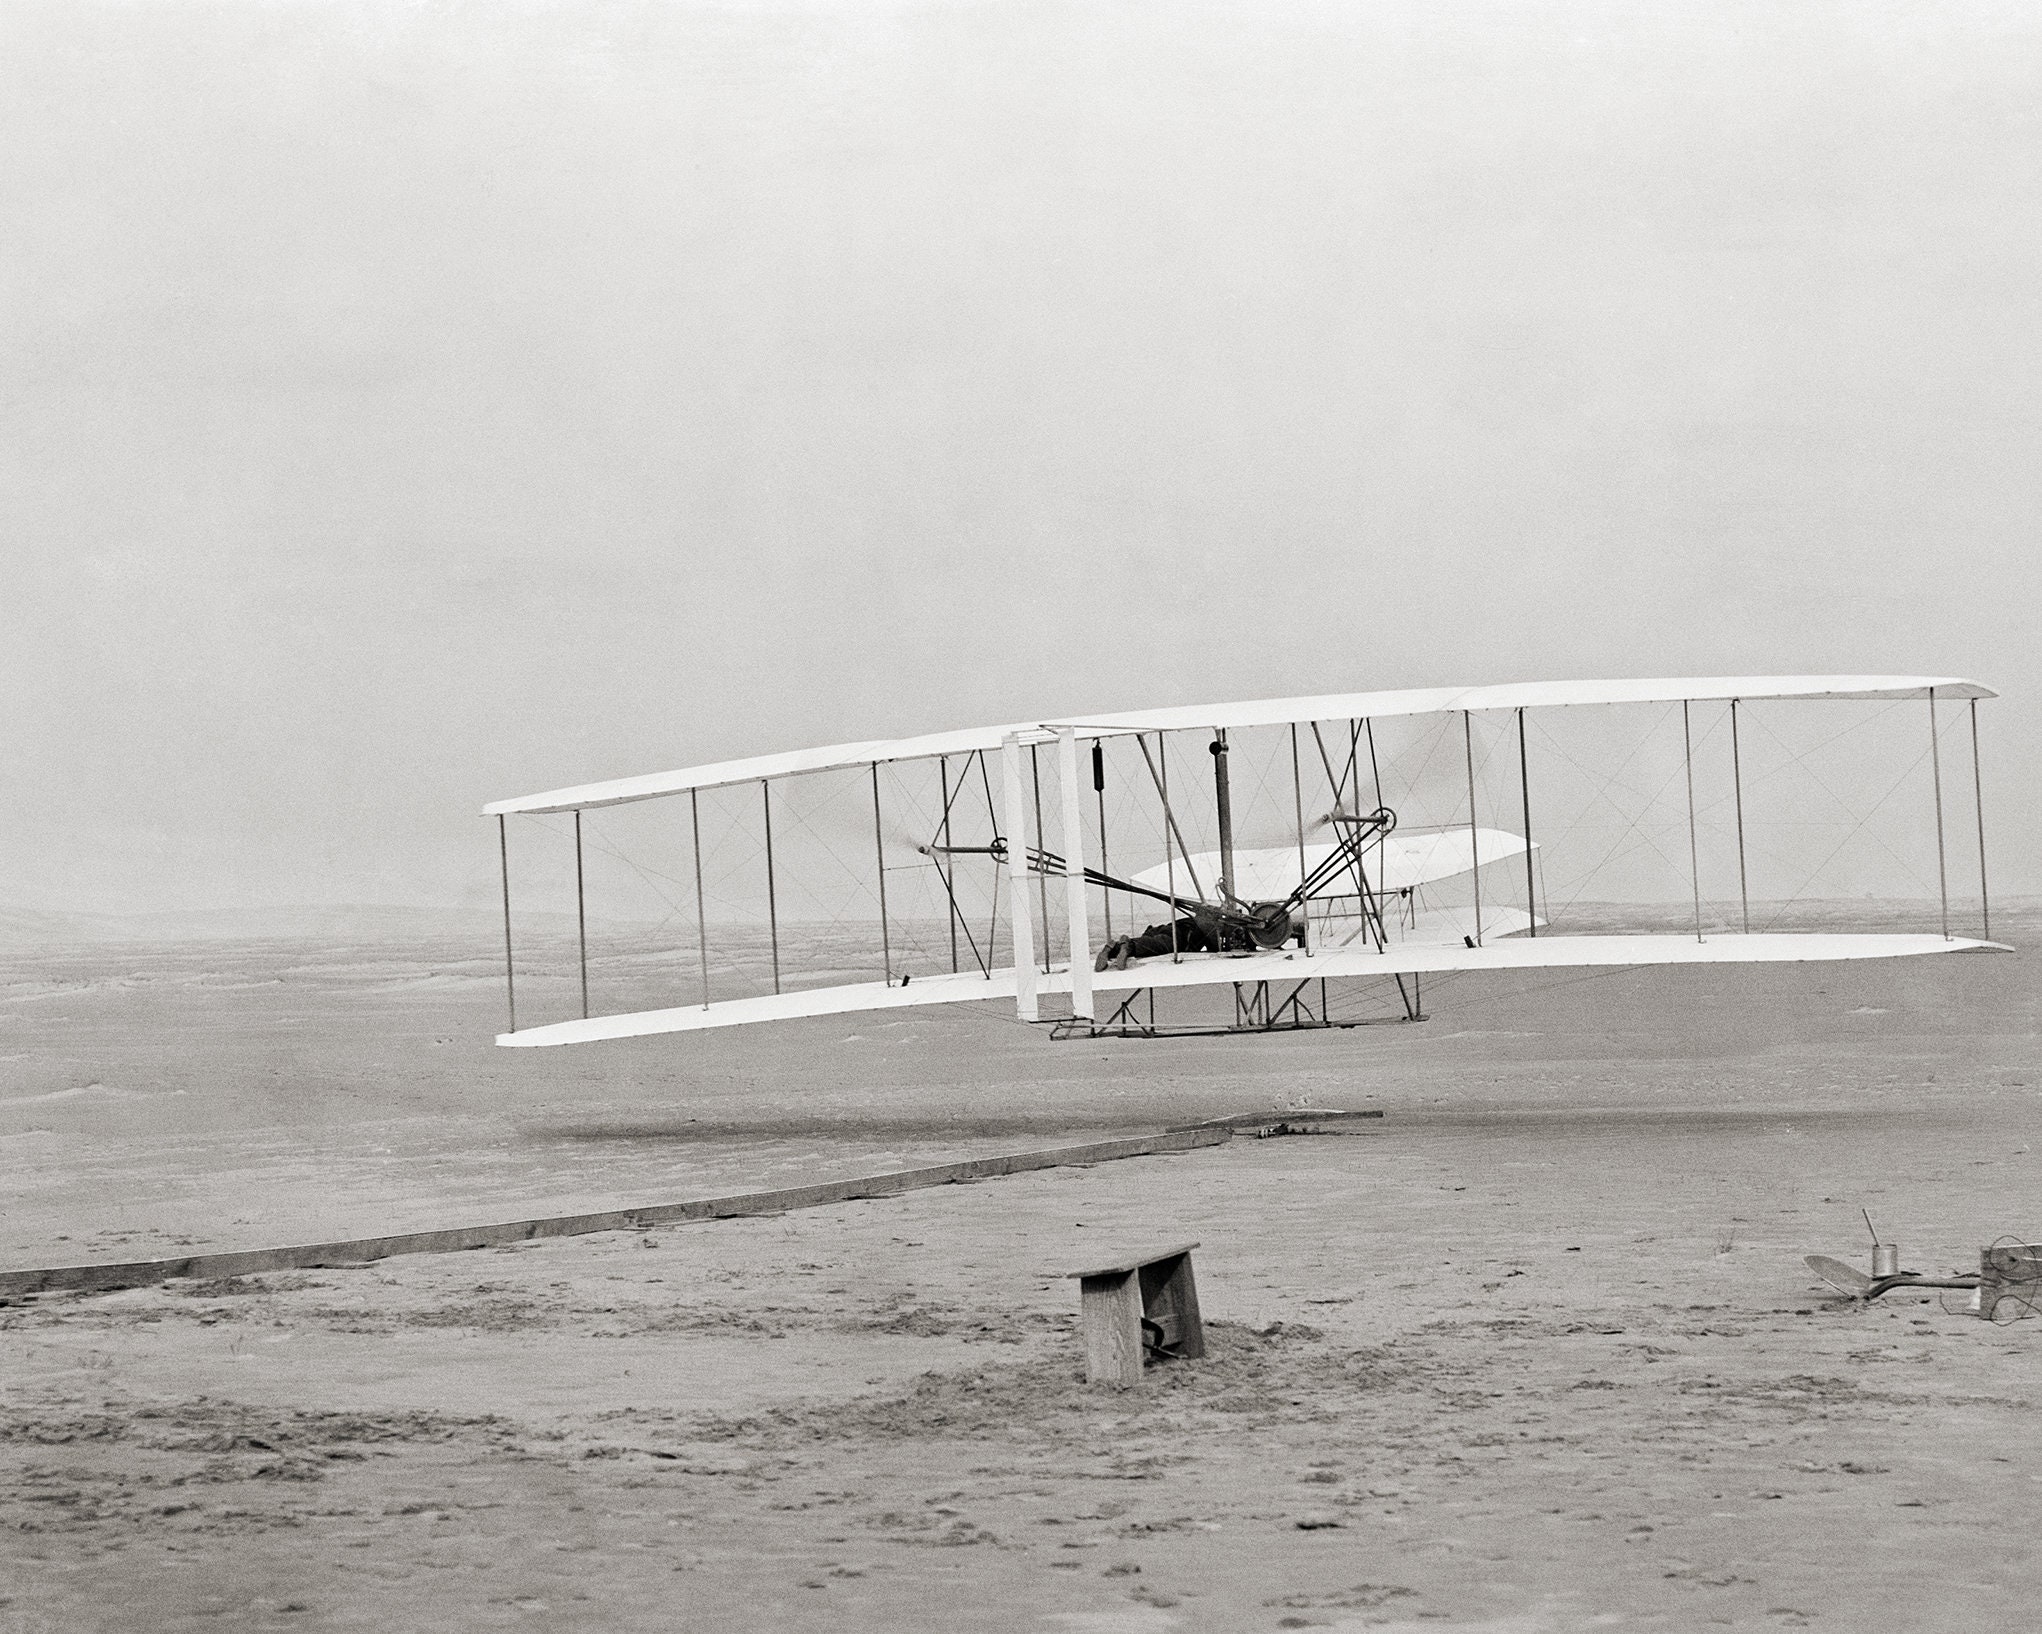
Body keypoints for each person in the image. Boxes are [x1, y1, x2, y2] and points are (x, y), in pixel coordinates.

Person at [1093, 902, 1294, 970]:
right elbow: (1217, 949)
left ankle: (1113, 949)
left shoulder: (1213, 923)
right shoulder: (1212, 925)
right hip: (1184, 936)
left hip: (1170, 929)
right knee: (1161, 946)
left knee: (1154, 944)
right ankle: (1127, 946)